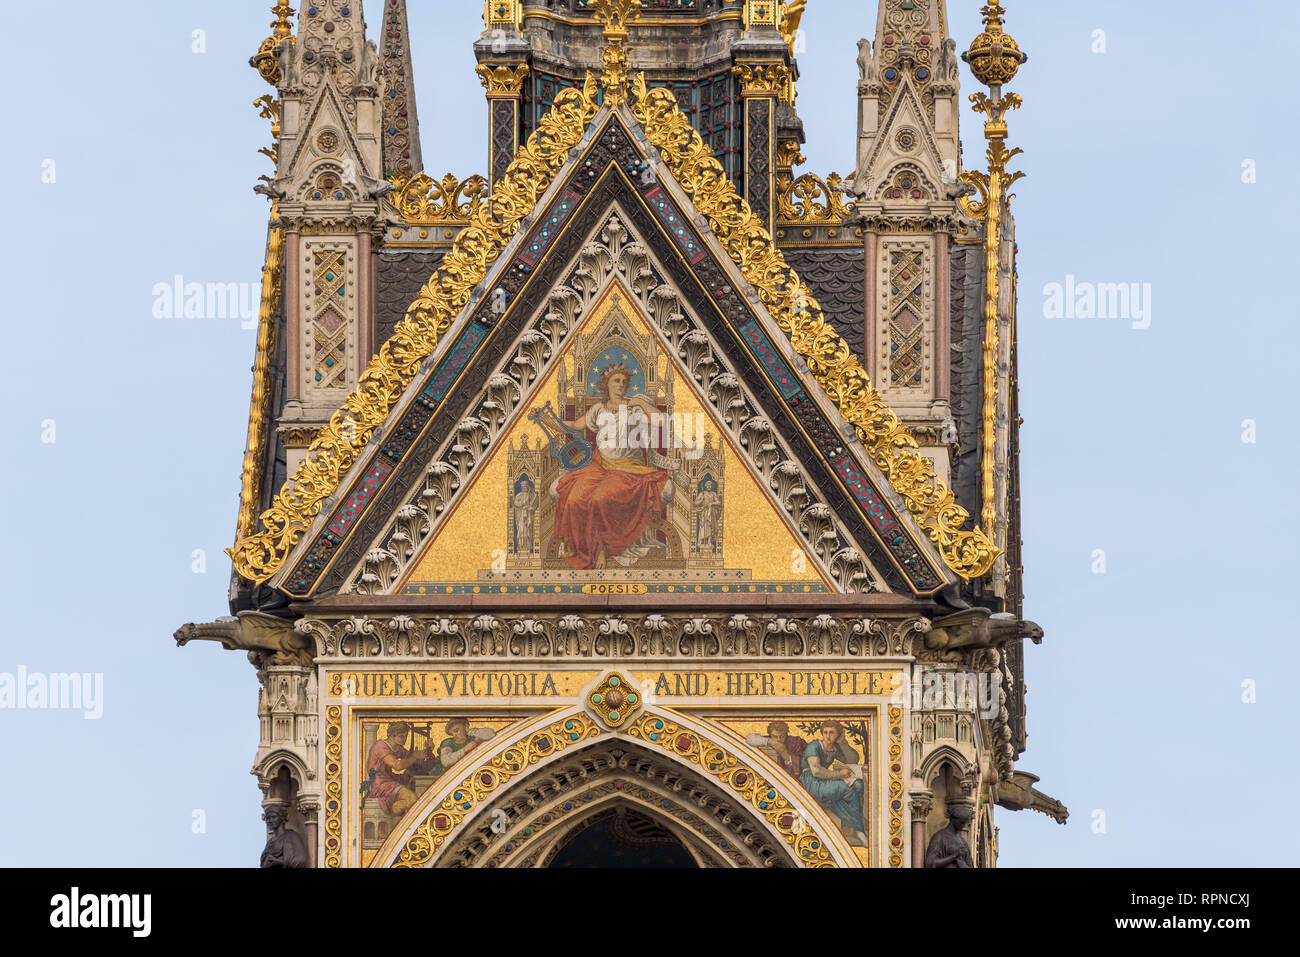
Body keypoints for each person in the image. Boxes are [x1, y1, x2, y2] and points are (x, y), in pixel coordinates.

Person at [553, 363, 673, 570]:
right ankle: (581, 545)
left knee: (600, 498)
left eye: (624, 381)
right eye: (617, 380)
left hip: (628, 468)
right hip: (600, 467)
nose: (621, 384)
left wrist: (642, 404)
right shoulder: (598, 410)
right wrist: (544, 418)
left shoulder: (634, 408)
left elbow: (662, 422)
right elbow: (572, 426)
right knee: (573, 496)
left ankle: (601, 551)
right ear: (606, 384)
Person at [799, 721, 868, 846]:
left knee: (858, 785)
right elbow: (816, 771)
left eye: (832, 733)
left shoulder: (835, 748)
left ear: (837, 735)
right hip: (811, 782)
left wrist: (843, 742)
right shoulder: (815, 745)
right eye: (825, 732)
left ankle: (850, 828)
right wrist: (839, 774)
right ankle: (858, 829)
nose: (828, 736)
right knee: (844, 788)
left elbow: (853, 759)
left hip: (825, 780)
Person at [363, 721, 438, 818]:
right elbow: (397, 766)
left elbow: (418, 765)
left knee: (418, 786)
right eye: (401, 736)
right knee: (411, 798)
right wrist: (414, 757)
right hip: (379, 783)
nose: (404, 739)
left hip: (389, 779)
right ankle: (394, 819)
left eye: (405, 736)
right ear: (392, 736)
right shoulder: (380, 746)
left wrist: (428, 751)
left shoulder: (399, 748)